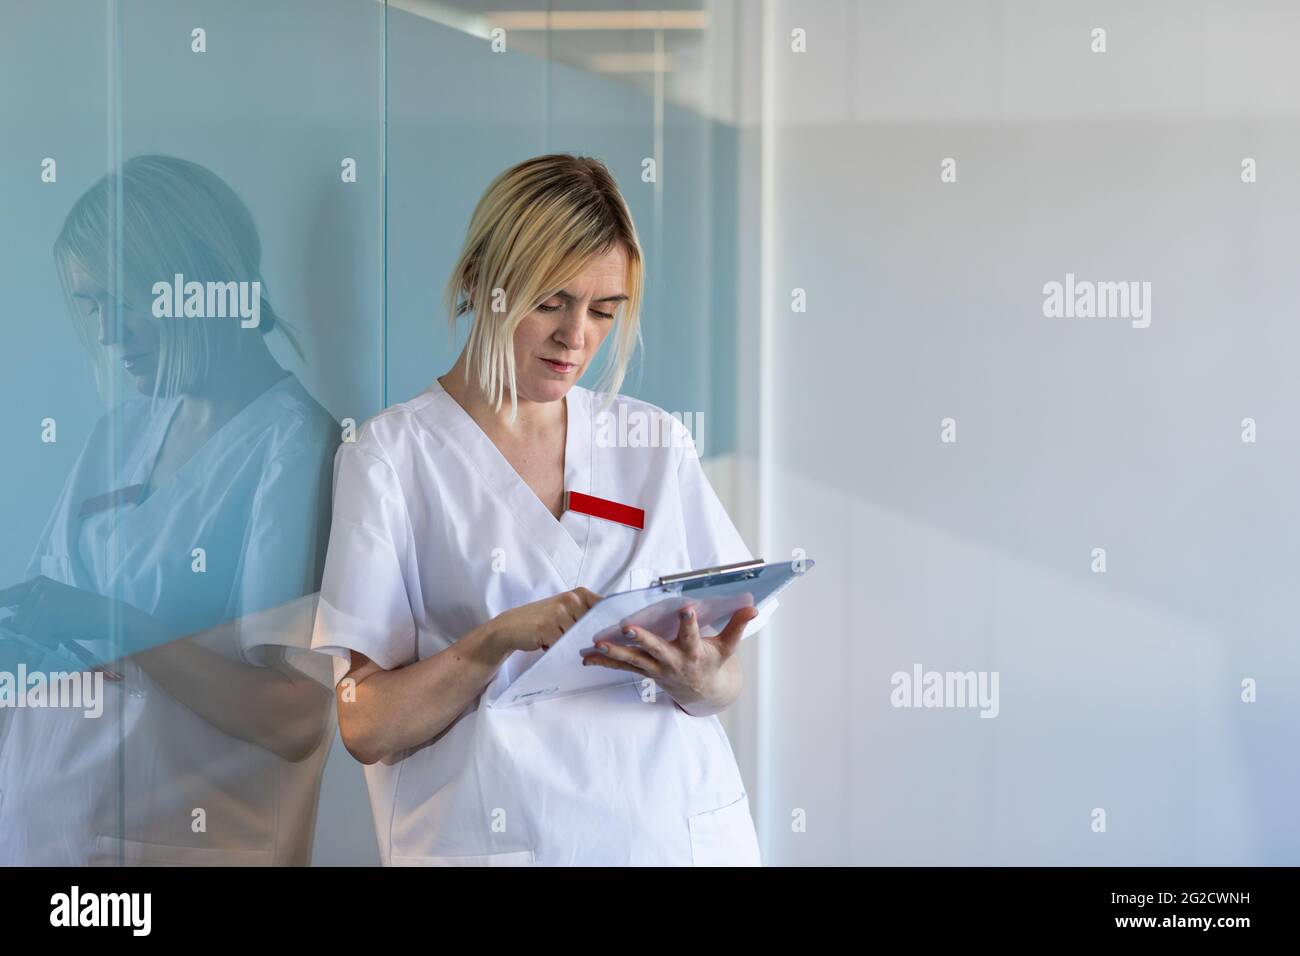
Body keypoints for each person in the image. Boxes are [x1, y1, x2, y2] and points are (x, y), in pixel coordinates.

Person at [311, 153, 774, 866]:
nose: (577, 337)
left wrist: (702, 678)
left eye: (603, 311)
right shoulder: (392, 457)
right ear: (479, 284)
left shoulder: (650, 439)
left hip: (672, 833)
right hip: (504, 840)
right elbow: (365, 725)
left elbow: (721, 678)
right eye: (550, 301)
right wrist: (492, 641)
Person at [0, 155, 338, 865]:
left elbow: (293, 717)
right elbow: (51, 635)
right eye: (92, 307)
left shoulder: (293, 447)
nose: (108, 333)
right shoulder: (118, 435)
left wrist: (115, 625)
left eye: (124, 301)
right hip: (48, 832)